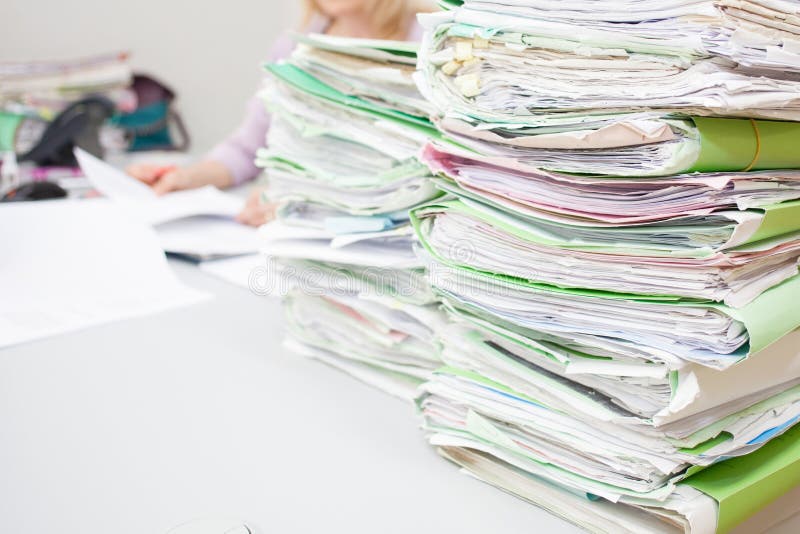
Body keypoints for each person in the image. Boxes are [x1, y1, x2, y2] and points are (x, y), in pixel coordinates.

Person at [127, 0, 431, 226]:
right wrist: (187, 177)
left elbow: (441, 170)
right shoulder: (293, 49)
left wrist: (307, 202)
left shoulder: (434, 40)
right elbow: (247, 149)